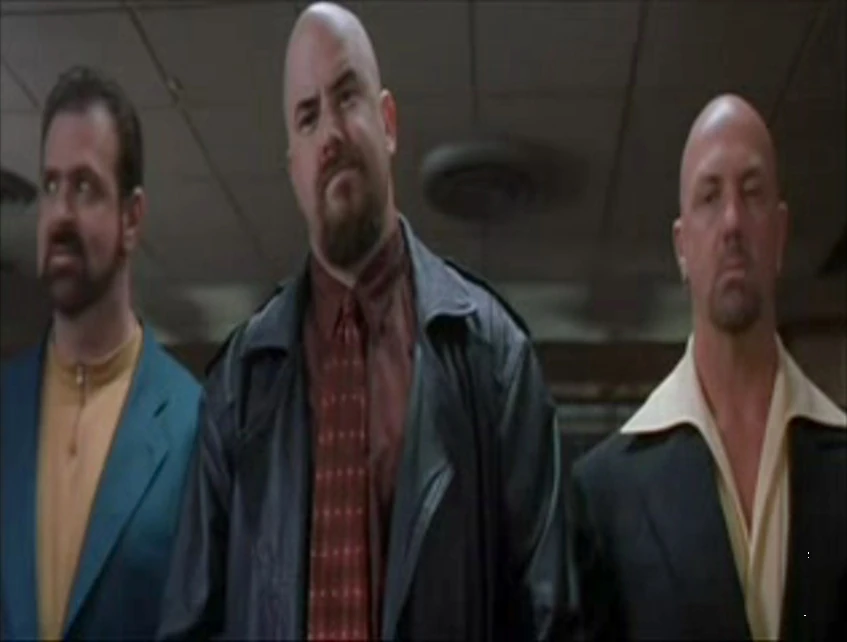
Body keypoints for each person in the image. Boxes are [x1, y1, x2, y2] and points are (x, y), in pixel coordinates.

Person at [157, 2, 570, 640]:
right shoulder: (240, 386)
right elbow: (190, 625)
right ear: (293, 166)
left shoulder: (492, 357)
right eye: (307, 116)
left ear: (388, 122)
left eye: (346, 97)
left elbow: (553, 617)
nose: (331, 132)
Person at [571, 94, 847, 641]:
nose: (732, 222)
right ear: (682, 246)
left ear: (780, 234)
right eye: (710, 196)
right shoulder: (605, 493)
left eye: (752, 192)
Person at [0, 66, 201, 640]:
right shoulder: (5, 407)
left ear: (132, 218)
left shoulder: (195, 425)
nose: (61, 213)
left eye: (85, 187)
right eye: (51, 186)